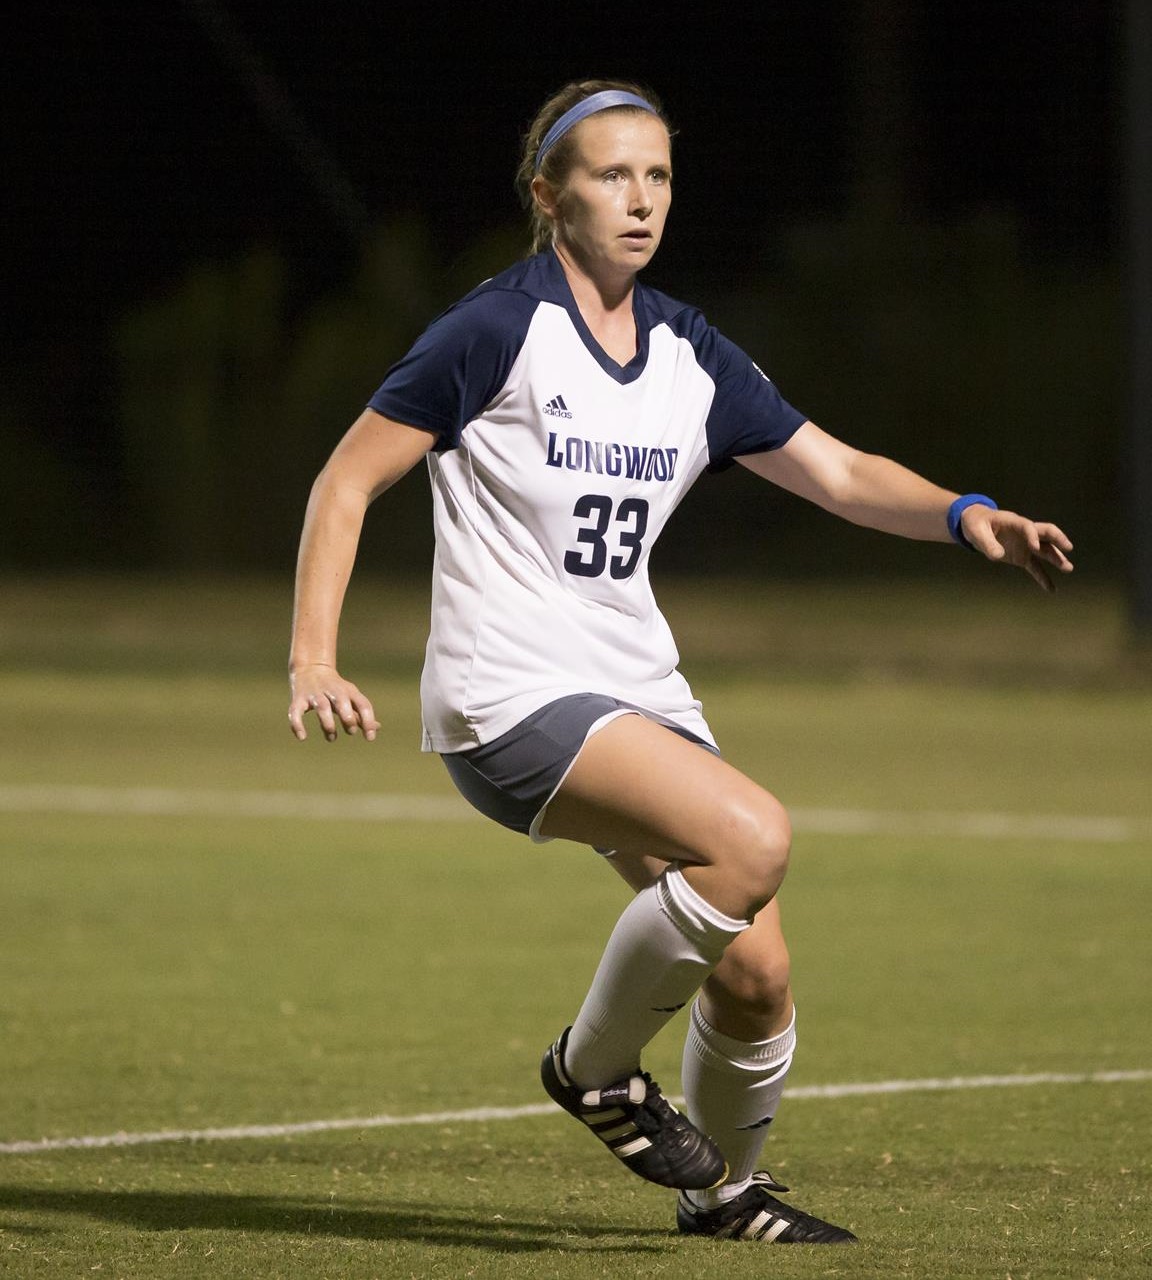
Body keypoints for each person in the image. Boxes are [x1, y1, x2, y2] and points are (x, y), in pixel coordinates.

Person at [285, 78, 1074, 1246]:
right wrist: (313, 655)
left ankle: (724, 1197)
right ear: (551, 196)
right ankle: (593, 1068)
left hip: (632, 691)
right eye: (612, 175)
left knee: (756, 975)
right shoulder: (496, 329)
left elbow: (843, 473)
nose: (641, 198)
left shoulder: (687, 351)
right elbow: (345, 479)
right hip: (509, 695)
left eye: (657, 174)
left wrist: (966, 514)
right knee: (753, 835)